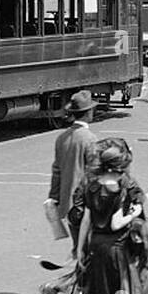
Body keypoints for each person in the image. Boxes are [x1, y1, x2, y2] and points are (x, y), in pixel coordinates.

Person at [73, 139, 148, 294]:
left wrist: (80, 249)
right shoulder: (118, 189)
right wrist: (135, 211)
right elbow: (117, 223)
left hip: (94, 246)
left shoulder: (92, 185)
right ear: (119, 167)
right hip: (115, 250)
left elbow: (86, 220)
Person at [49, 91, 97, 249]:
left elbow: (56, 170)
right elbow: (94, 172)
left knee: (78, 246)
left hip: (67, 204)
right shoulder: (89, 139)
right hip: (85, 203)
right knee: (89, 248)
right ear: (88, 113)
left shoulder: (61, 138)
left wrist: (54, 198)